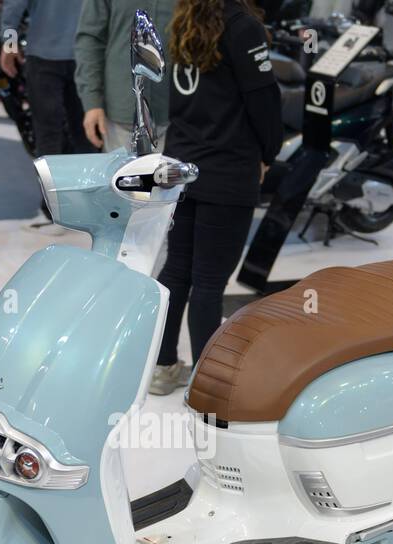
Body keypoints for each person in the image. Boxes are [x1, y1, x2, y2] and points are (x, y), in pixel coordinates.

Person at [151, 0, 281, 395]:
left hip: (184, 165)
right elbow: (265, 103)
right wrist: (269, 154)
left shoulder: (184, 23)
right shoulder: (243, 28)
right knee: (208, 282)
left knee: (177, 270)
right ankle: (206, 381)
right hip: (227, 170)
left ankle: (163, 367)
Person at [77, 0, 176, 152]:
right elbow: (90, 38)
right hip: (121, 115)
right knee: (120, 174)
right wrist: (92, 101)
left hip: (176, 115)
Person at [2, 0, 94, 158]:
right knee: (87, 135)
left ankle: (50, 182)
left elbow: (13, 7)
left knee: (48, 137)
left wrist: (9, 45)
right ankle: (90, 182)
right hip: (85, 56)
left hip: (43, 55)